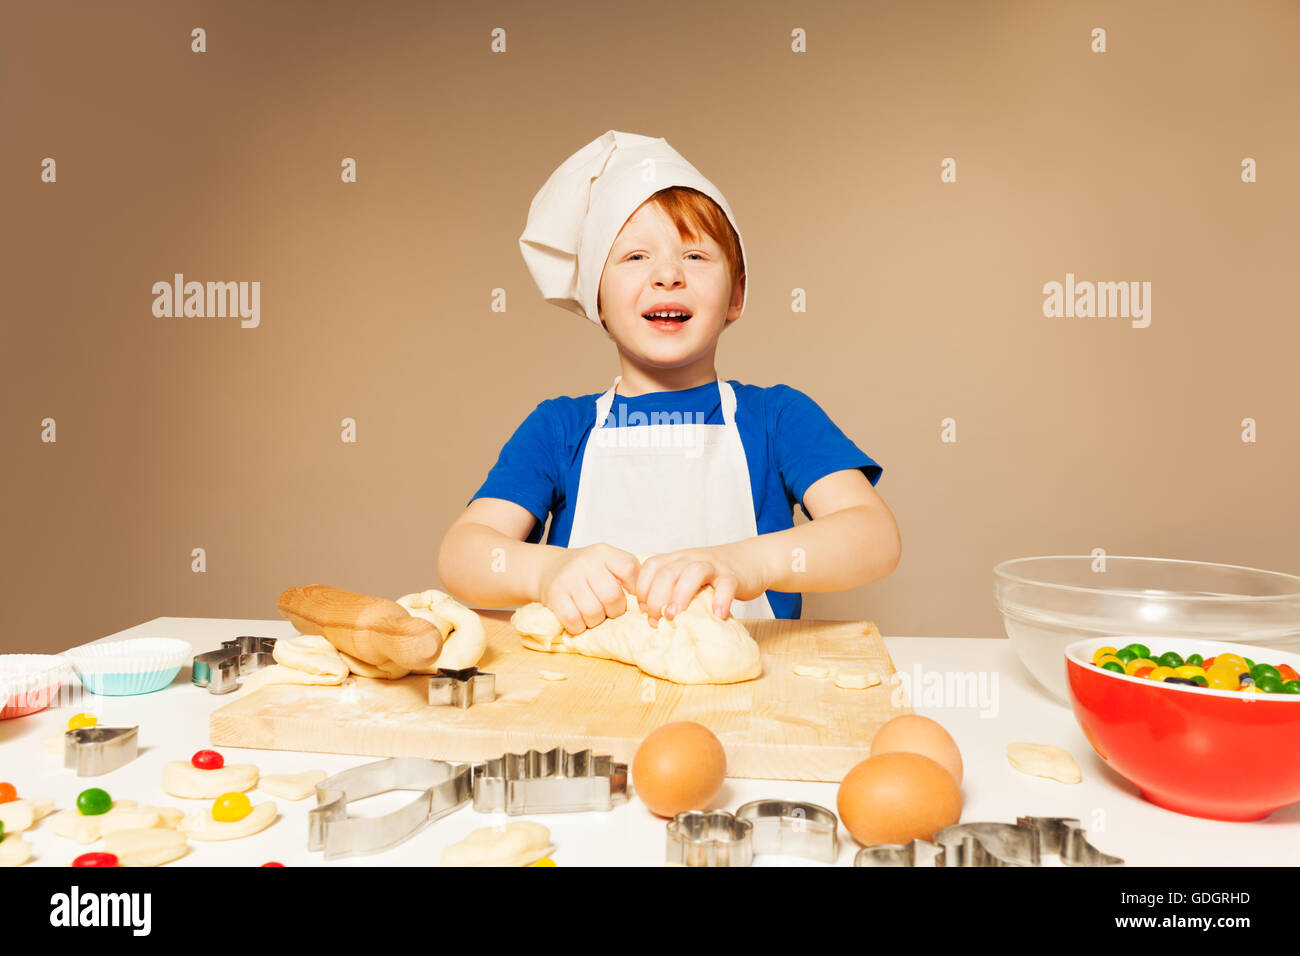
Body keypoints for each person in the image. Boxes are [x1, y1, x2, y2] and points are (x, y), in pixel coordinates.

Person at [437, 130, 900, 635]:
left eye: (695, 256)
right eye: (635, 257)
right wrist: (546, 571)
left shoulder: (777, 420)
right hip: (586, 698)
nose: (667, 275)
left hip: (745, 701)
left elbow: (874, 537)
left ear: (736, 295)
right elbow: (462, 554)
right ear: (598, 301)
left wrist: (746, 565)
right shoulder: (558, 428)